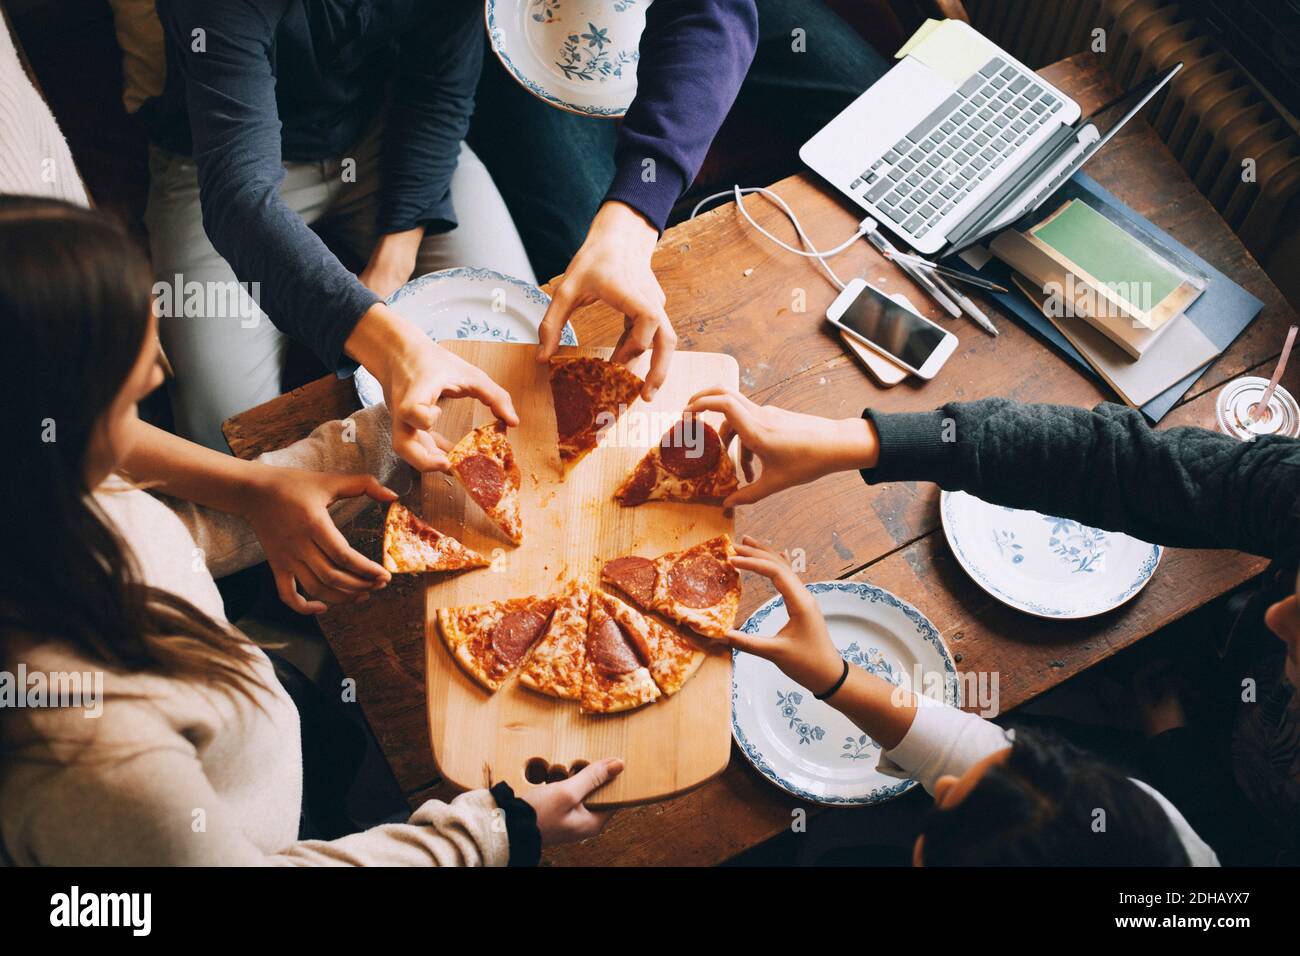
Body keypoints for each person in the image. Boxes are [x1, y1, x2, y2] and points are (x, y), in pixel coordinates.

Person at [0, 196, 620, 865]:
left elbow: (161, 545)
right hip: (263, 832)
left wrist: (382, 436)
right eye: (129, 401)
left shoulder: (47, 497)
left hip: (247, 723)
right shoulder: (96, 761)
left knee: (335, 749)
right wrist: (493, 834)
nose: (162, 377)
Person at [692, 388, 1300, 862]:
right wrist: (861, 441)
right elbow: (1120, 462)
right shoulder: (1171, 850)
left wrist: (1174, 755)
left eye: (950, 808)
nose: (1276, 614)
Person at [141, 0, 531, 463]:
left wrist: (395, 257)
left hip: (382, 139)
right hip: (218, 163)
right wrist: (389, 345)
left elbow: (438, 91)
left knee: (523, 362)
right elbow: (239, 199)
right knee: (224, 439)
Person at [473, 1, 889, 399]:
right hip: (505, 24)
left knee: (887, 131)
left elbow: (711, 11)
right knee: (579, 279)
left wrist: (633, 216)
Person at [728, 537, 1217, 865]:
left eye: (941, 805)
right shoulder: (1155, 825)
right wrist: (833, 678)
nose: (941, 780)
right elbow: (966, 750)